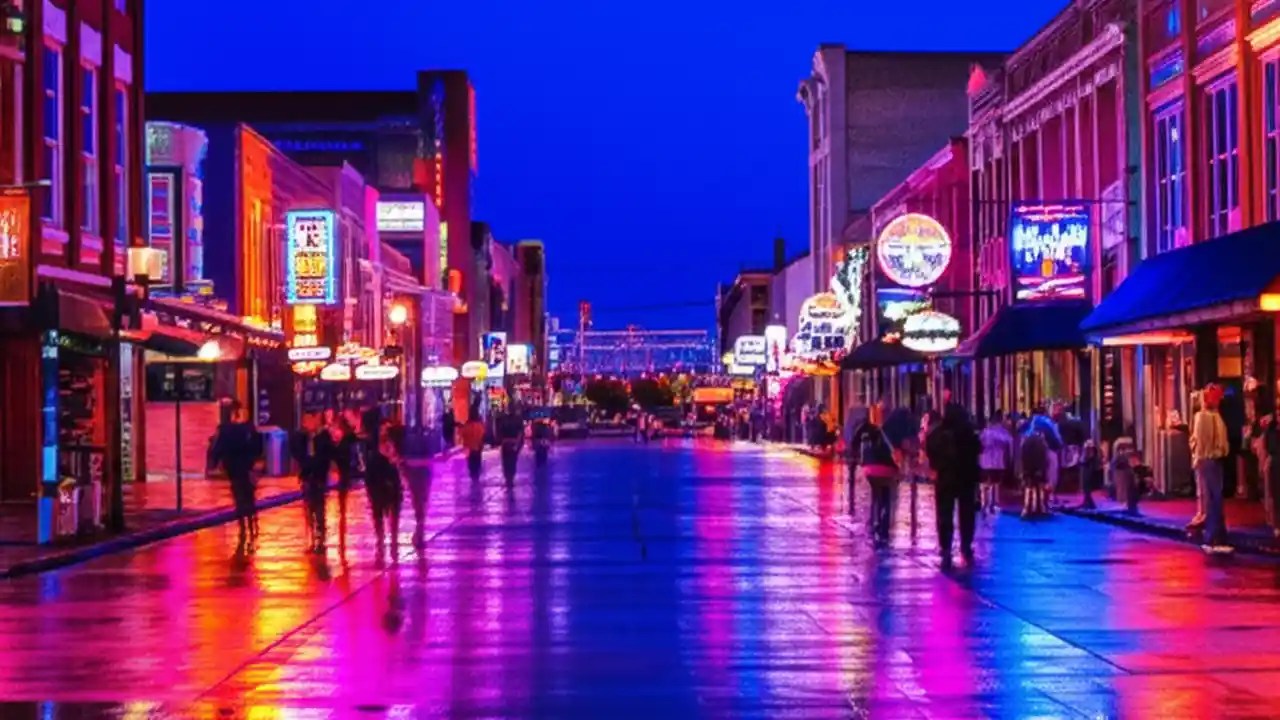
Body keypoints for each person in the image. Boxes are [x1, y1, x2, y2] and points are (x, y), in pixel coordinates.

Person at [926, 404, 981, 568]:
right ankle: (965, 545)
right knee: (967, 514)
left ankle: (946, 547)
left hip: (945, 478)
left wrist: (938, 466)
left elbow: (930, 451)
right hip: (966, 478)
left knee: (944, 513)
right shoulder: (968, 433)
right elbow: (977, 450)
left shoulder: (938, 434)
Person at [210, 405, 263, 547]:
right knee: (245, 497)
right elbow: (257, 447)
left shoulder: (232, 429)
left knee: (242, 497)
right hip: (241, 468)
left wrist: (215, 463)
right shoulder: (244, 429)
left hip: (239, 469)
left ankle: (247, 526)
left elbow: (217, 448)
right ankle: (249, 526)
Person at [848, 404, 899, 546]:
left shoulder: (864, 428)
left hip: (869, 468)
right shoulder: (892, 428)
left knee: (876, 495)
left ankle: (875, 521)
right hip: (888, 468)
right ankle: (884, 526)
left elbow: (853, 445)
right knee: (887, 497)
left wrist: (857, 459)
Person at [1190, 383, 1231, 550]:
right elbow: (1200, 441)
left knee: (1213, 497)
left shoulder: (1210, 416)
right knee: (1212, 497)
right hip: (1208, 460)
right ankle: (1214, 533)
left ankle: (1216, 532)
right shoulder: (1205, 417)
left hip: (1209, 460)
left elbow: (1197, 441)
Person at [291, 411, 335, 554]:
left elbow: (325, 457)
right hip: (307, 477)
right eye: (305, 421)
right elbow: (297, 453)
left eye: (309, 420)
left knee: (319, 508)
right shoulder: (303, 437)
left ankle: (320, 538)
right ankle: (311, 538)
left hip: (319, 477)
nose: (307, 424)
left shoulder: (323, 437)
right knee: (308, 509)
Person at [979, 412, 1013, 515]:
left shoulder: (985, 432)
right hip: (998, 462)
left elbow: (979, 444)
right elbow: (1010, 445)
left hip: (985, 462)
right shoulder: (1003, 433)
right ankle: (993, 504)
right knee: (996, 483)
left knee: (985, 483)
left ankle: (984, 504)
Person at [497, 408, 526, 484]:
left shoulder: (503, 419)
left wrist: (500, 441)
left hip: (505, 443)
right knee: (513, 461)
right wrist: (518, 444)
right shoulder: (518, 420)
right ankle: (510, 478)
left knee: (506, 462)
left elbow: (499, 432)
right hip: (513, 443)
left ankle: (508, 478)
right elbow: (520, 432)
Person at [459, 412, 487, 481]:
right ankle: (476, 478)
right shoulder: (479, 425)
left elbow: (462, 434)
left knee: (471, 465)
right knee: (477, 464)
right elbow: (483, 435)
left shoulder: (467, 426)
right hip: (477, 448)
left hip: (469, 449)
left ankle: (473, 478)